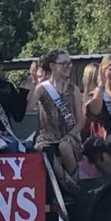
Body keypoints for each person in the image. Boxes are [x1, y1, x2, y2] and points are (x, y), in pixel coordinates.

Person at [32, 50, 84, 191]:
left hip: (69, 135)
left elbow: (80, 121)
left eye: (69, 63)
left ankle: (75, 181)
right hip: (47, 136)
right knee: (44, 149)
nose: (68, 66)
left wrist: (71, 135)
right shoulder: (42, 88)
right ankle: (66, 183)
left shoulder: (74, 89)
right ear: (53, 66)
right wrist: (33, 83)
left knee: (64, 147)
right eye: (63, 63)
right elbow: (29, 107)